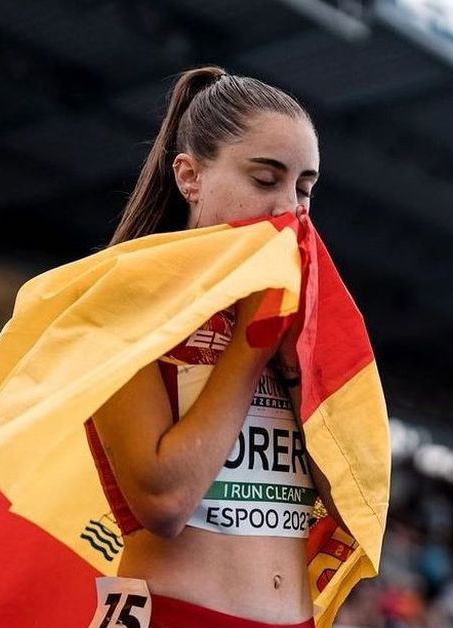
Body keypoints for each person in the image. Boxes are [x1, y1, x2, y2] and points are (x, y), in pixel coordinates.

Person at [88, 65, 336, 627]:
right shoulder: (126, 300)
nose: (289, 210)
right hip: (173, 613)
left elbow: (353, 506)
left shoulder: (306, 321)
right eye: (265, 179)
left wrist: (295, 370)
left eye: (304, 189)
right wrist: (252, 344)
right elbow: (164, 503)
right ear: (190, 176)